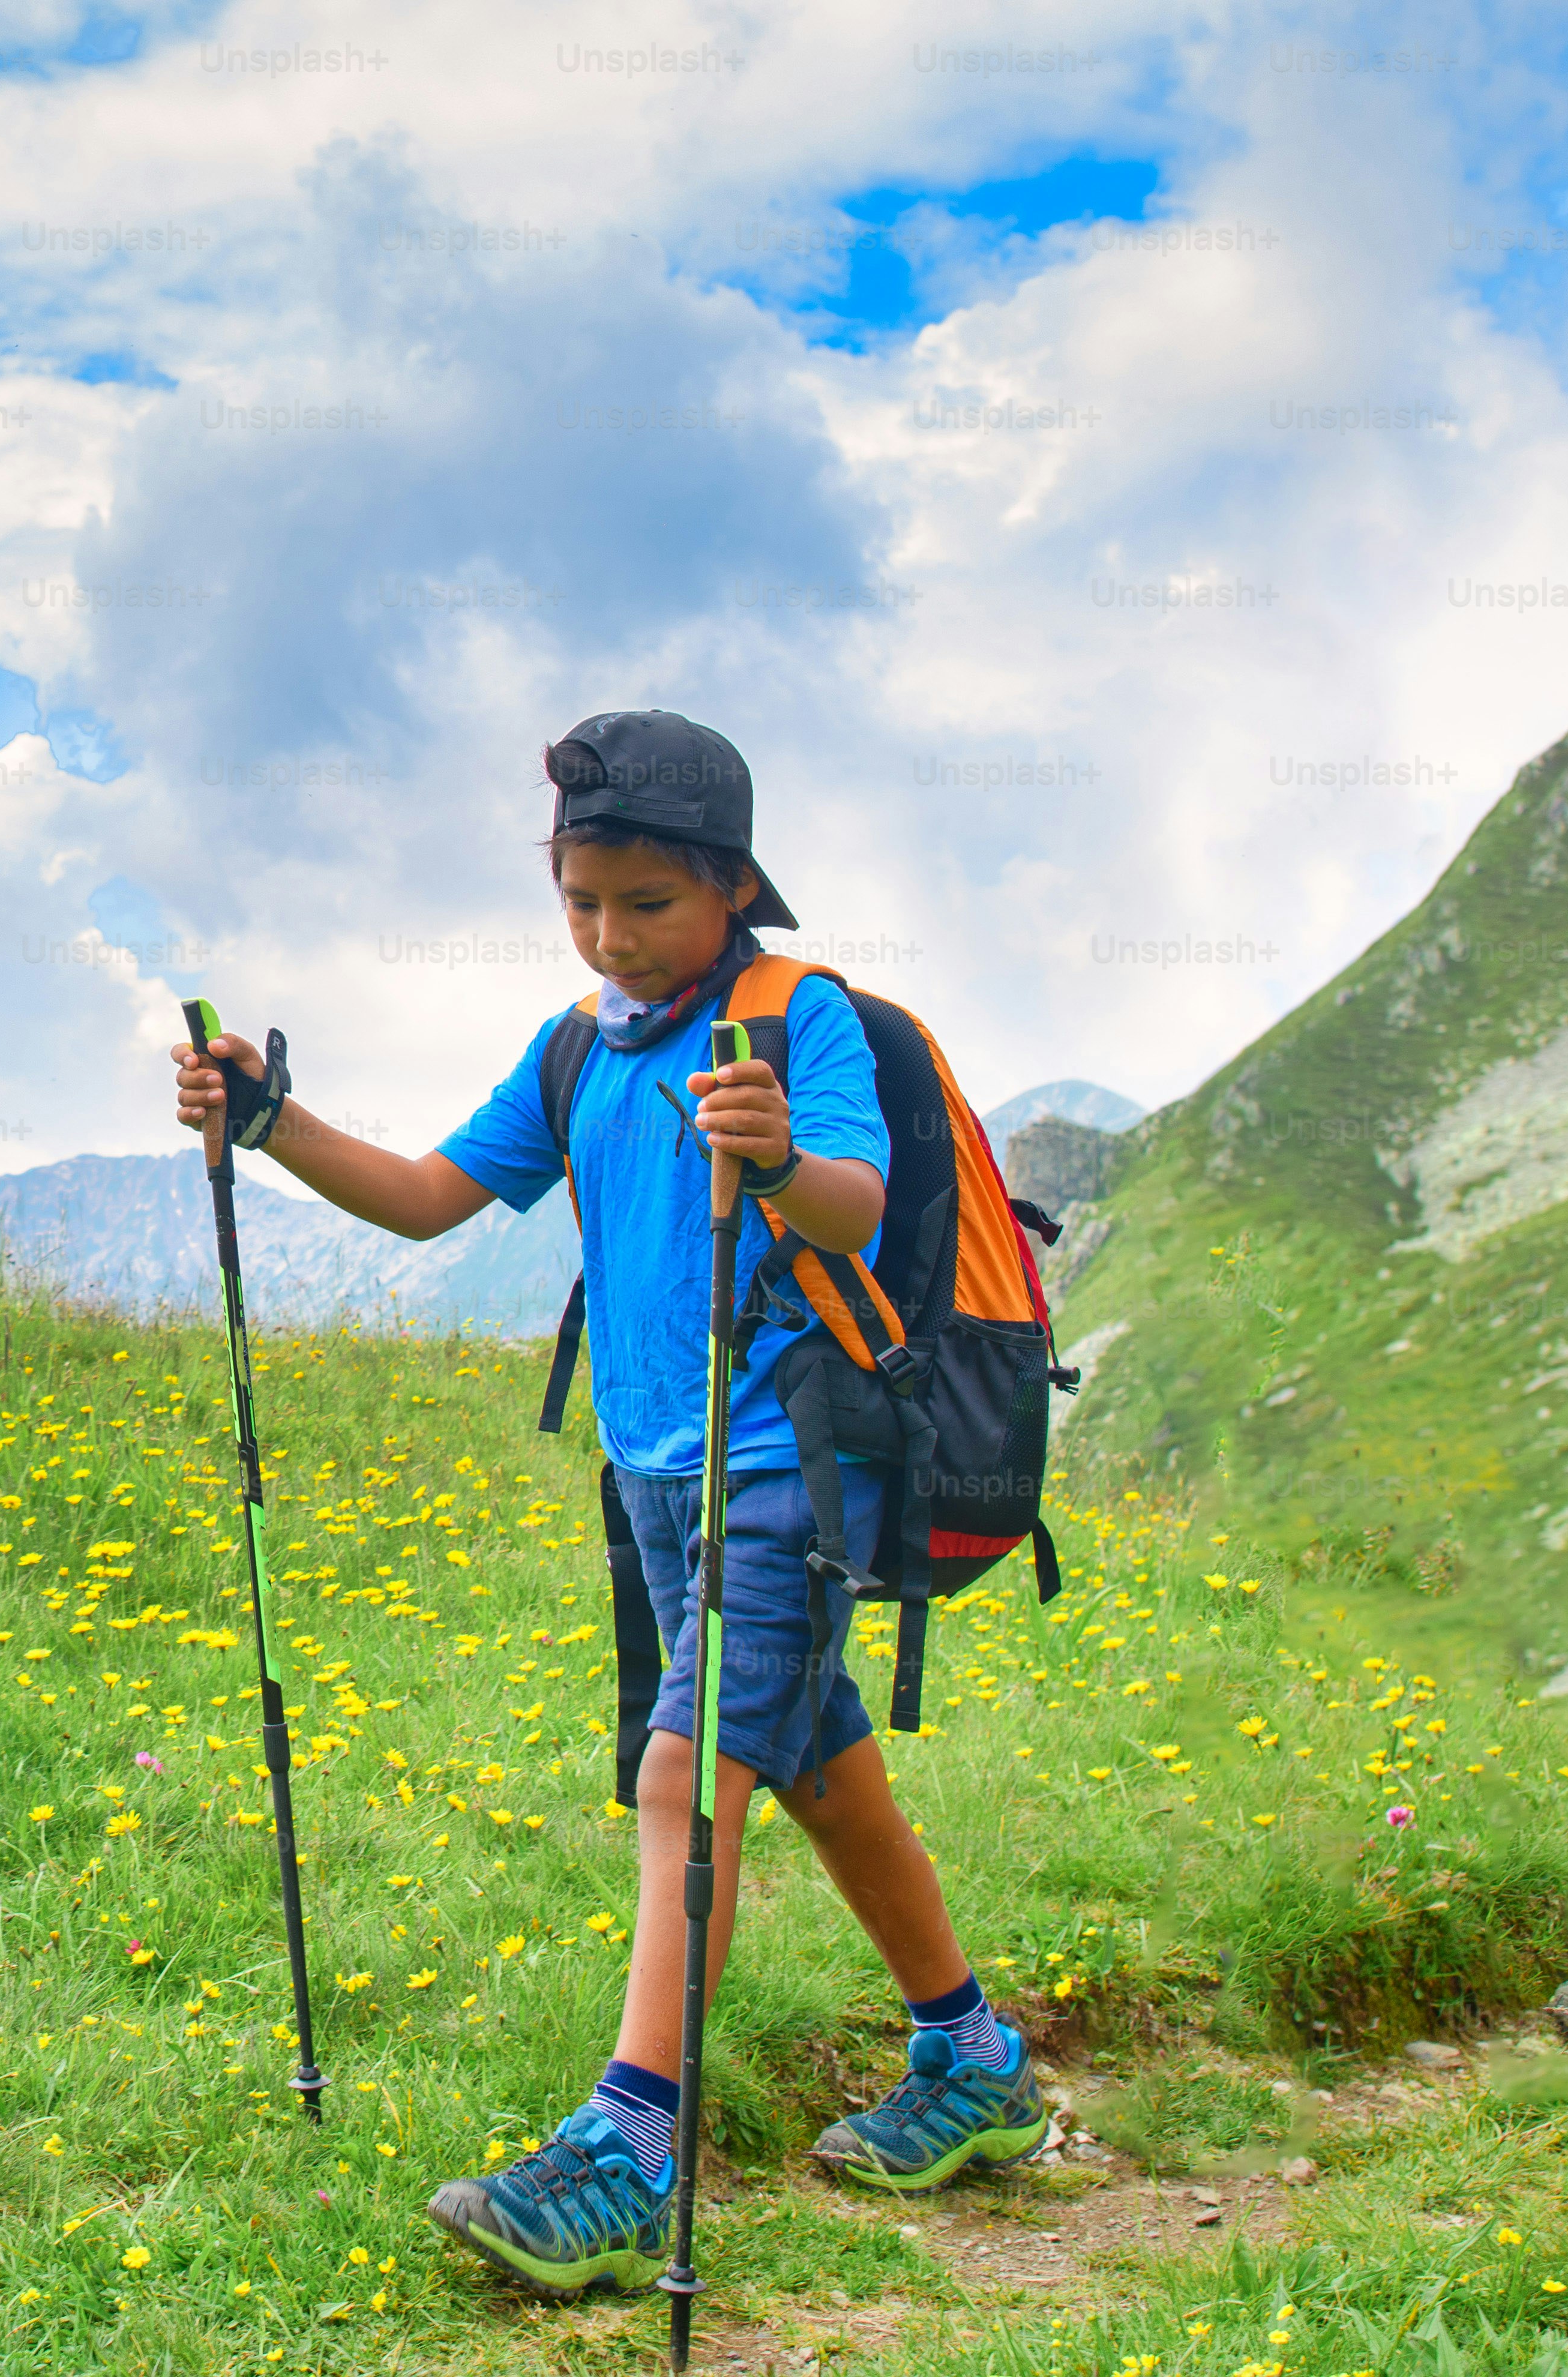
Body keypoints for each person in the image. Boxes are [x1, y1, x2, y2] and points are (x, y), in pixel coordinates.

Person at [167, 709, 1045, 2298]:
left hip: (789, 1454)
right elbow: (436, 1198)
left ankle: (627, 2147)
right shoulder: (578, 1043)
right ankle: (974, 2056)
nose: (610, 932)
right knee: (818, 1760)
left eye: (646, 902)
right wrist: (272, 1120)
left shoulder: (797, 1017)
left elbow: (857, 1200)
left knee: (684, 1772)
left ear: (730, 888)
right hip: (653, 1464)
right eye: (581, 898)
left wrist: (775, 1154)